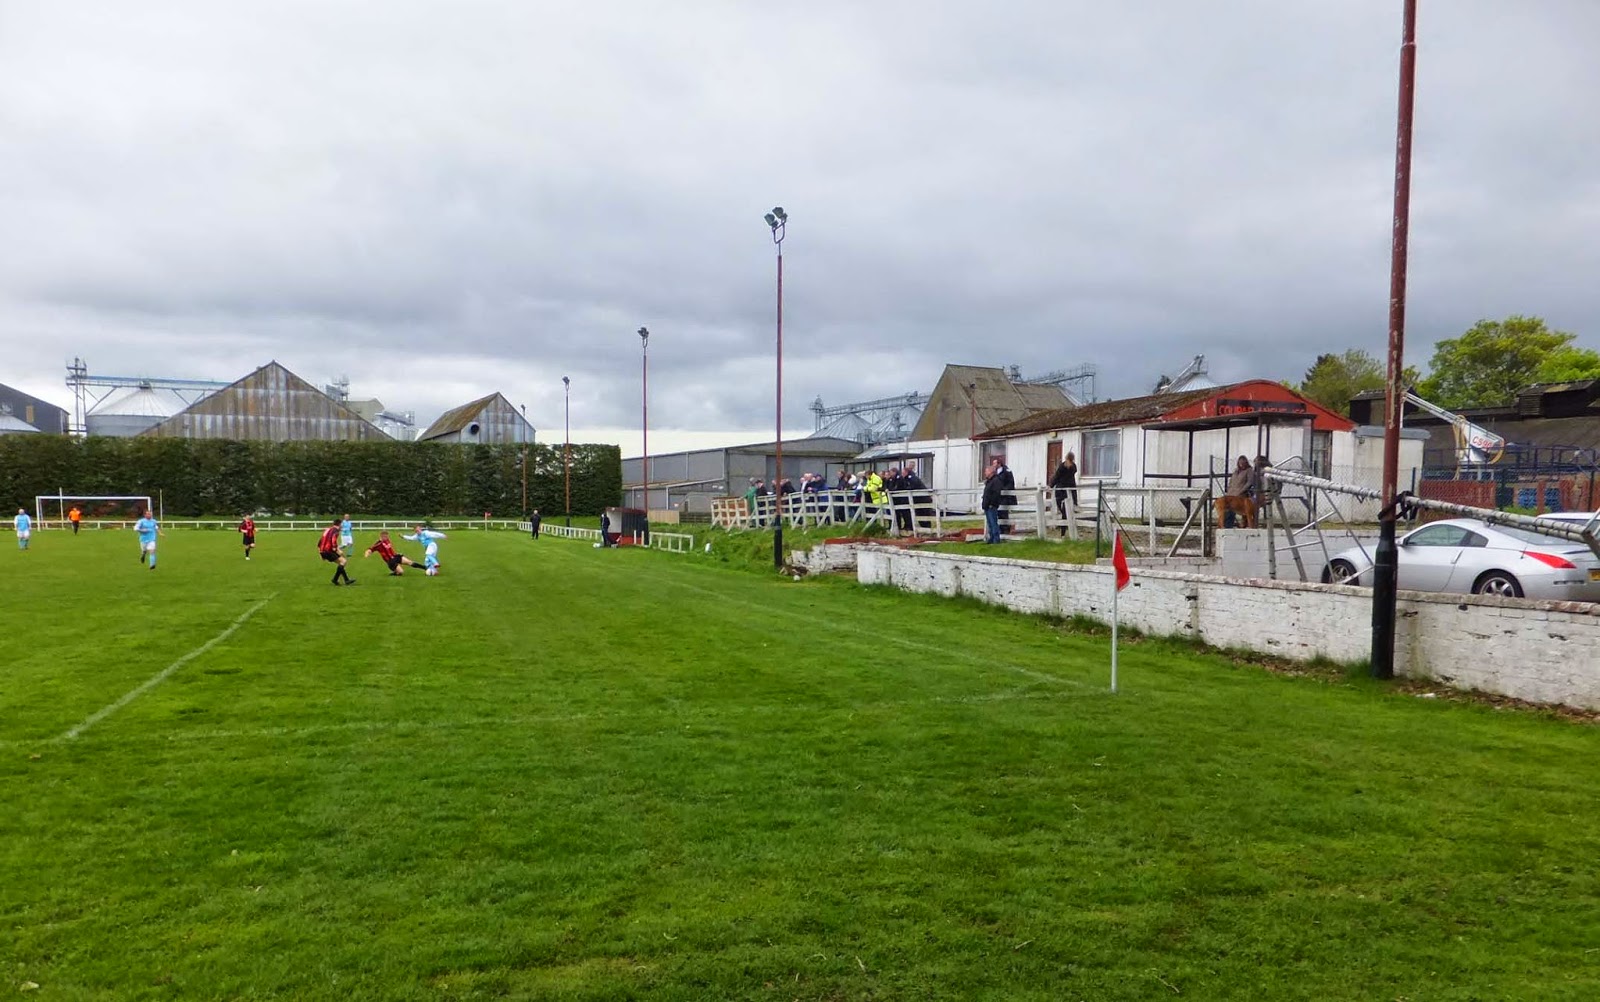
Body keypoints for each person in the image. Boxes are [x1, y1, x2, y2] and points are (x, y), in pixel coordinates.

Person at [1218, 455, 1255, 529]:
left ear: (1246, 463)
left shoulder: (1249, 470)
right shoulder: (1236, 471)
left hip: (1241, 494)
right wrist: (1228, 489)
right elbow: (1231, 481)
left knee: (1243, 511)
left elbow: (1249, 482)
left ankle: (1245, 526)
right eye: (1240, 463)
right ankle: (1227, 526)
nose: (1242, 465)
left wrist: (1242, 491)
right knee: (1228, 511)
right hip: (1231, 493)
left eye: (1243, 463)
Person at [319, 518, 354, 584]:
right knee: (343, 561)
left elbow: (320, 541)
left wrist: (321, 553)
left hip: (323, 551)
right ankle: (336, 579)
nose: (342, 526)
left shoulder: (328, 529)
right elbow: (333, 541)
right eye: (342, 524)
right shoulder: (336, 531)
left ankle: (346, 580)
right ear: (339, 524)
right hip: (328, 551)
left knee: (341, 563)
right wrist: (337, 550)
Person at [1050, 452, 1078, 532]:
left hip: (1068, 490)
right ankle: (1064, 527)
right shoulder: (1062, 467)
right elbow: (1057, 476)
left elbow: (1072, 480)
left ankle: (1063, 531)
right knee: (1061, 507)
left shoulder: (1073, 467)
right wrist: (1051, 485)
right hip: (1060, 490)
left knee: (1066, 510)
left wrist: (1075, 500)